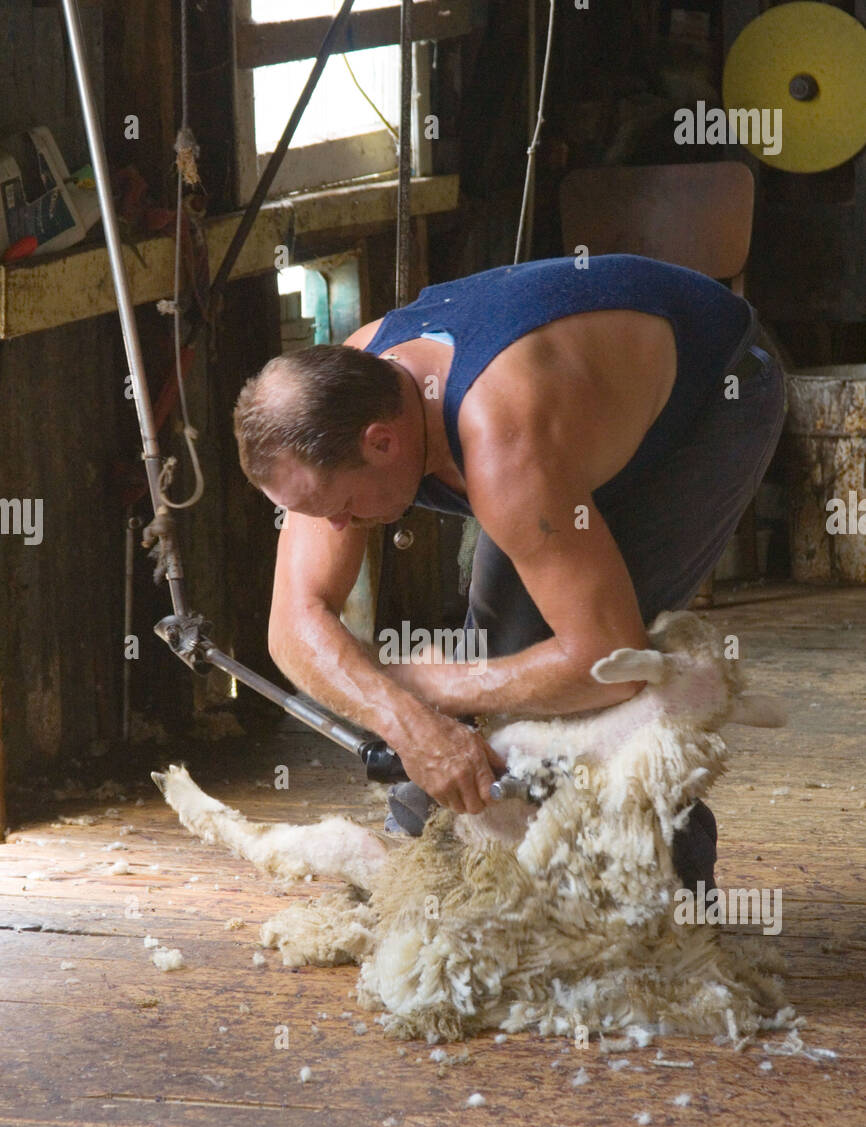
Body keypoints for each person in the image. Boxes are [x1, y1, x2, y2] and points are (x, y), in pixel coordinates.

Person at [233, 255, 787, 890]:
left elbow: (606, 659)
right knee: (506, 655)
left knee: (583, 677)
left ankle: (666, 889)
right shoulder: (333, 402)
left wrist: (439, 690)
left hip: (714, 390)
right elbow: (294, 624)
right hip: (567, 422)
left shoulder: (504, 445)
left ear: (382, 442)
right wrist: (406, 718)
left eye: (337, 508)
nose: (334, 528)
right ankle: (444, 848)